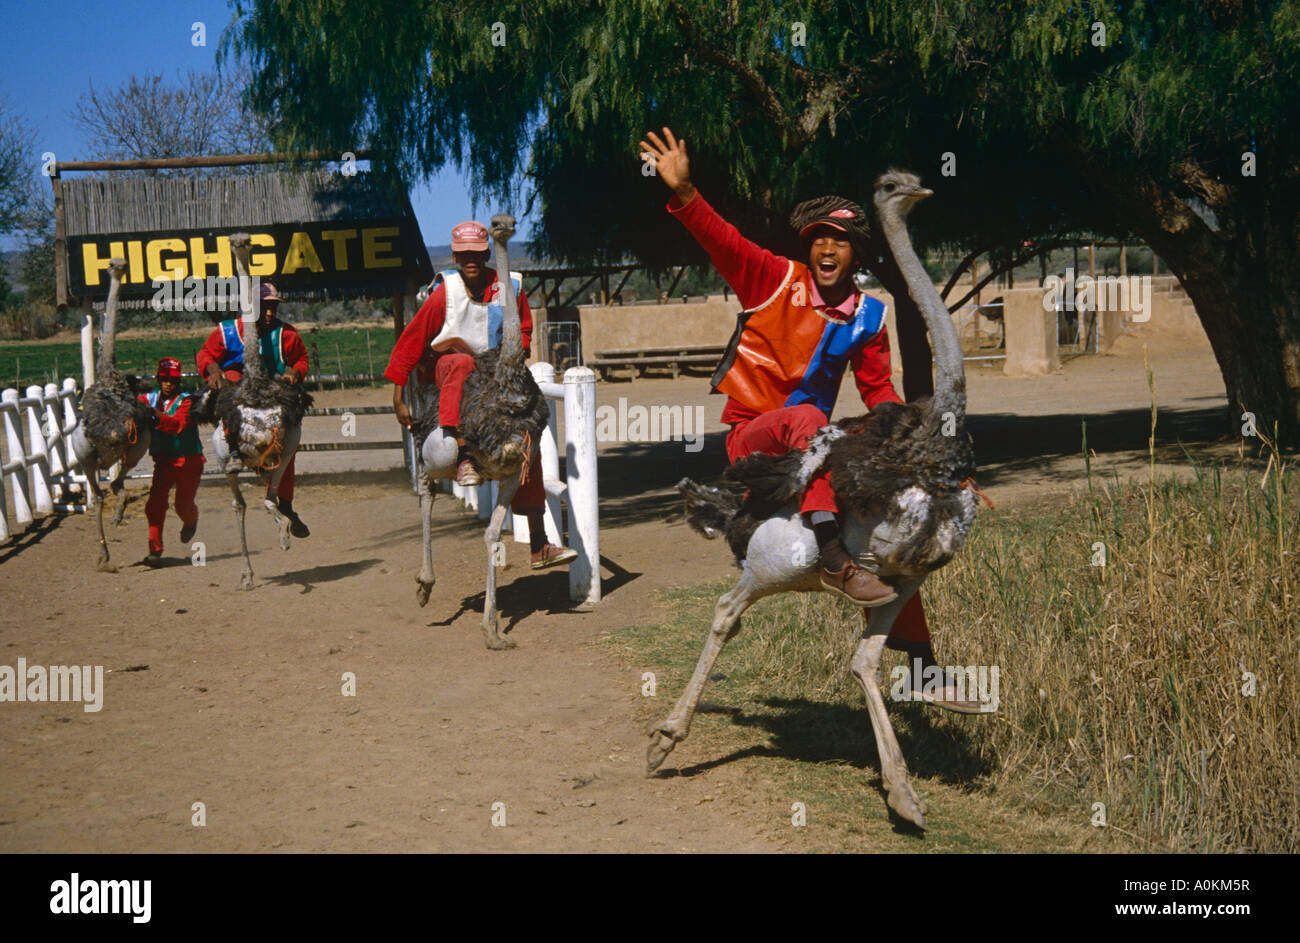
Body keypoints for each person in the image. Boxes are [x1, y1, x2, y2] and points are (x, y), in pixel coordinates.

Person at [641, 127, 983, 712]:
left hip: (811, 449)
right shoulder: (773, 280)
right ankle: (832, 555)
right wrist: (686, 191)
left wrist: (923, 460)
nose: (827, 249)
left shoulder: (869, 316)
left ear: (856, 252)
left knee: (894, 516)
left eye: (841, 241)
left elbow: (880, 393)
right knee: (805, 417)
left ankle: (924, 668)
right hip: (757, 440)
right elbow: (723, 242)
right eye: (819, 239)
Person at [386, 220, 577, 570]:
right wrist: (398, 394)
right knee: (459, 363)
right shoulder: (446, 291)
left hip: (494, 369)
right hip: (450, 365)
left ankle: (539, 542)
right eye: (464, 254)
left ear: (488, 253)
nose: (471, 259)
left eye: (477, 253)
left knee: (527, 425)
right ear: (456, 256)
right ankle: (461, 453)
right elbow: (412, 340)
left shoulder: (510, 285)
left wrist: (511, 364)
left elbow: (522, 330)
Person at [196, 282, 311, 538]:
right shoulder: (227, 332)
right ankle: (233, 449)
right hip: (237, 384)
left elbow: (301, 358)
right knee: (229, 393)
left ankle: (287, 506)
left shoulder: (286, 334)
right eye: (264, 307)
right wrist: (213, 369)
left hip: (272, 388)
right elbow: (206, 354)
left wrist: (295, 372)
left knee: (290, 433)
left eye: (273, 307)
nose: (270, 313)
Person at [138, 358, 203, 568]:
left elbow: (177, 425)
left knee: (182, 506)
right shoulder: (148, 398)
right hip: (164, 461)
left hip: (189, 462)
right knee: (154, 505)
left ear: (178, 382)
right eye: (164, 379)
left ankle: (191, 520)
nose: (168, 384)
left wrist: (155, 415)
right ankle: (155, 551)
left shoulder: (188, 401)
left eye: (172, 380)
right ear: (158, 379)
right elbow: (133, 405)